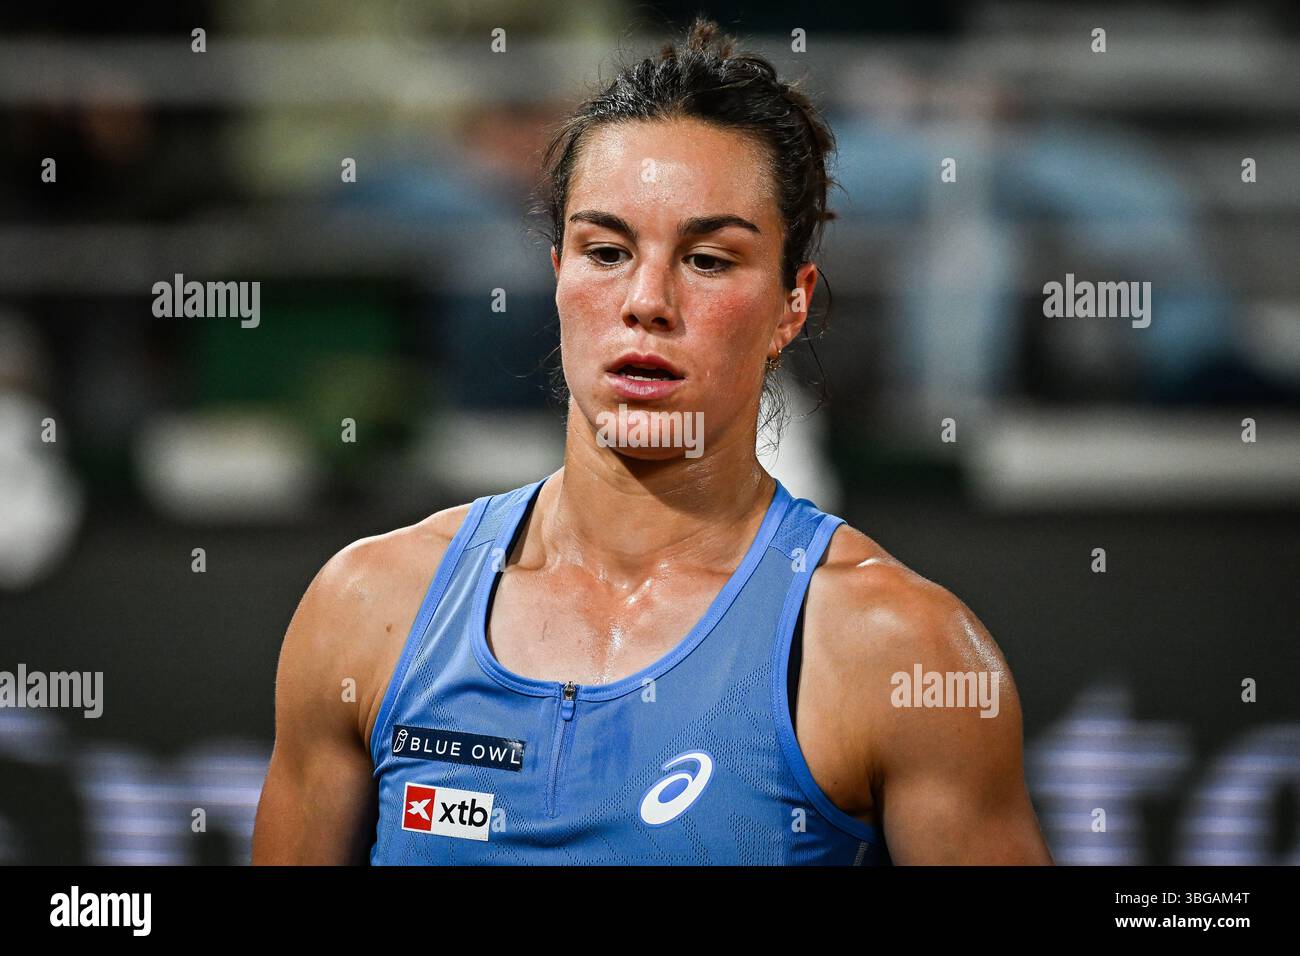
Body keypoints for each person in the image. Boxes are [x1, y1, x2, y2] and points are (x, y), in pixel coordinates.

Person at [252, 17, 1053, 865]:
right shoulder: (366, 608)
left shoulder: (899, 649)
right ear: (555, 267)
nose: (647, 300)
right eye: (605, 250)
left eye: (709, 260)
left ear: (793, 303)